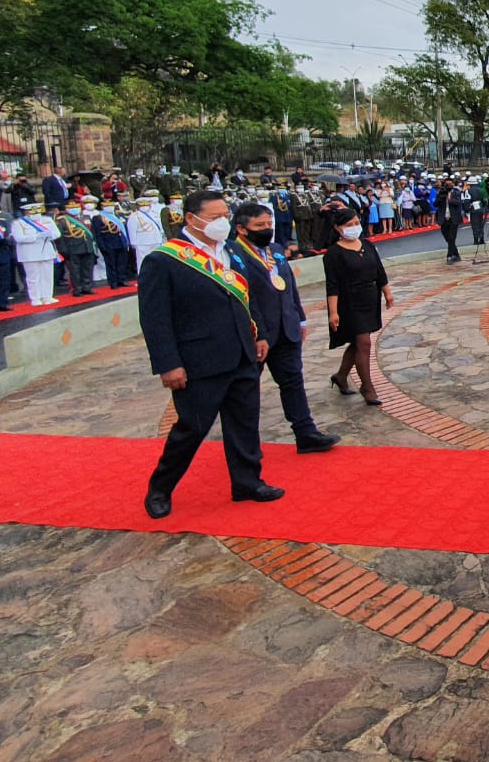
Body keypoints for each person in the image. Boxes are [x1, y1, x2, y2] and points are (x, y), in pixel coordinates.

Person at [140, 189, 282, 519]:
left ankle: (247, 482)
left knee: (245, 424)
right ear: (192, 219)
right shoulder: (164, 260)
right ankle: (160, 488)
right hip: (199, 360)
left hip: (242, 354)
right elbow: (155, 319)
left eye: (225, 216)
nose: (223, 222)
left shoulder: (230, 250)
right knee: (191, 429)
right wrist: (168, 364)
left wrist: (258, 333)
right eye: (215, 217)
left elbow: (247, 297)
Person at [232, 202, 340, 453]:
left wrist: (300, 318)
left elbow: (288, 285)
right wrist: (258, 331)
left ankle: (305, 432)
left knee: (292, 381)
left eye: (269, 224)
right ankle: (246, 444)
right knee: (246, 389)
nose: (267, 229)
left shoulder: (275, 250)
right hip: (257, 334)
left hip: (286, 327)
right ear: (241, 228)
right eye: (259, 225)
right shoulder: (233, 255)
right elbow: (245, 298)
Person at [323, 207, 393, 405]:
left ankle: (341, 376)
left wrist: (386, 292)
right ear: (338, 228)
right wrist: (334, 312)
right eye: (348, 225)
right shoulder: (333, 254)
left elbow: (379, 271)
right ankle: (367, 387)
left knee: (359, 342)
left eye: (356, 223)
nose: (354, 228)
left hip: (369, 298)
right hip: (349, 302)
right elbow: (332, 284)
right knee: (364, 342)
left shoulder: (367, 245)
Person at [11, 200, 60, 306]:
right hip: (30, 254)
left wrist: (50, 235)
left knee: (47, 275)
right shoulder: (18, 223)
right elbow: (18, 238)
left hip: (46, 251)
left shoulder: (47, 220)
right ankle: (35, 298)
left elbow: (57, 233)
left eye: (38, 212)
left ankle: (47, 296)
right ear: (26, 213)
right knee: (33, 277)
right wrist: (35, 237)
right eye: (33, 213)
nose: (36, 215)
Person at [55, 200, 98, 297]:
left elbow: (92, 233)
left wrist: (94, 245)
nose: (74, 209)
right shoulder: (62, 220)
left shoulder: (86, 217)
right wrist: (63, 250)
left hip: (87, 246)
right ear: (66, 209)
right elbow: (60, 237)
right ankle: (77, 289)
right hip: (73, 248)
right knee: (75, 271)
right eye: (71, 208)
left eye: (76, 207)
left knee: (87, 269)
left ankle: (87, 287)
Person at [90, 197, 134, 289]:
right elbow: (98, 234)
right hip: (109, 244)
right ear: (102, 207)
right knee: (111, 264)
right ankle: (113, 282)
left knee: (122, 263)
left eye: (111, 206)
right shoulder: (98, 218)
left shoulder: (118, 216)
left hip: (120, 242)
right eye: (107, 206)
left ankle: (121, 279)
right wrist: (102, 246)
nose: (109, 208)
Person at [126, 195, 165, 270]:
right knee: (142, 260)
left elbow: (159, 227)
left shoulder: (154, 214)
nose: (145, 207)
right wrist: (133, 242)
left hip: (155, 240)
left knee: (156, 260)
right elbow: (132, 230)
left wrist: (160, 238)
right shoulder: (134, 216)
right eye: (143, 206)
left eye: (147, 205)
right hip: (142, 242)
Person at [440, 178, 464, 264]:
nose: (448, 186)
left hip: (453, 218)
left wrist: (449, 199)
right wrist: (441, 197)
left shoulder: (456, 192)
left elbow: (458, 202)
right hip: (444, 218)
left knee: (451, 237)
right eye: (447, 184)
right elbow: (435, 203)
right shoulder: (441, 192)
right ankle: (456, 254)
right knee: (448, 238)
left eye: (450, 184)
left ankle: (450, 256)